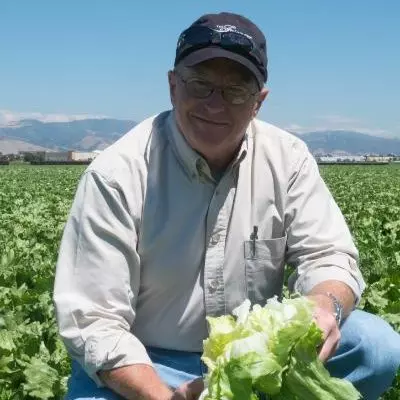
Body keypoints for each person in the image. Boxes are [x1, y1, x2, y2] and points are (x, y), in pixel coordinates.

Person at [53, 12, 400, 400]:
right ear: (172, 86)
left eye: (235, 91)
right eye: (200, 85)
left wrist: (325, 304)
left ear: (258, 102)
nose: (215, 106)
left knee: (374, 346)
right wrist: (167, 397)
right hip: (149, 363)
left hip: (256, 354)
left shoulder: (288, 158)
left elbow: (329, 254)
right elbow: (94, 321)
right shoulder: (117, 174)